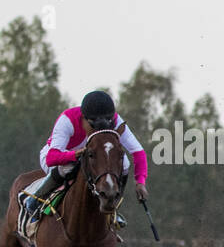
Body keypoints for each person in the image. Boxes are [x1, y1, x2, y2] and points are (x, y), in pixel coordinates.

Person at [21, 90, 149, 228]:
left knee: (124, 163)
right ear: (84, 118)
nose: (100, 128)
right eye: (94, 125)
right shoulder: (67, 120)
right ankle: (35, 200)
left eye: (108, 122)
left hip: (90, 157)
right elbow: (51, 158)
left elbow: (138, 152)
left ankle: (112, 205)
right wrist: (75, 154)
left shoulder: (116, 121)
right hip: (60, 156)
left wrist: (140, 182)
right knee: (68, 167)